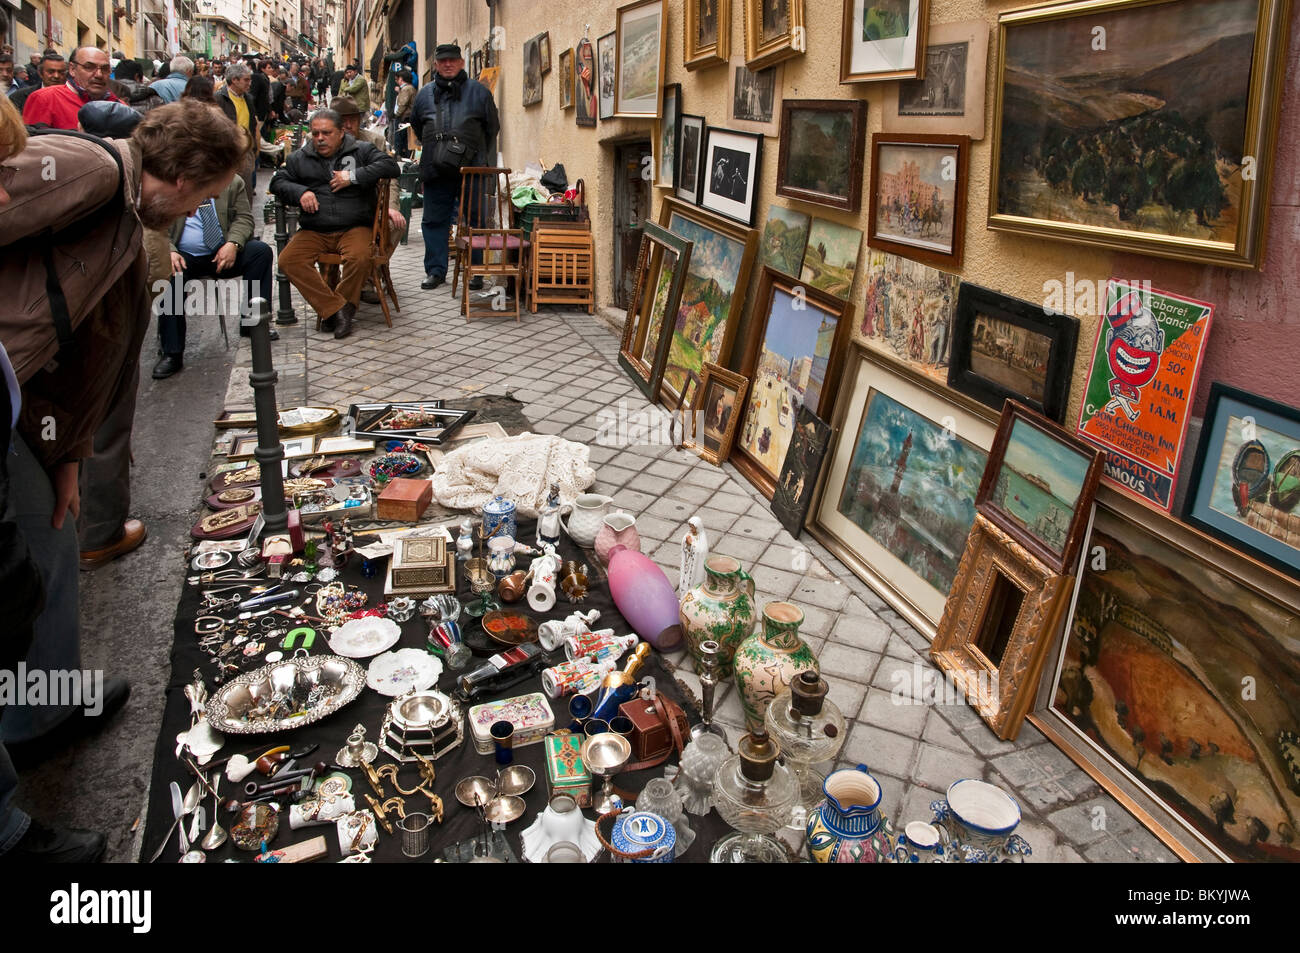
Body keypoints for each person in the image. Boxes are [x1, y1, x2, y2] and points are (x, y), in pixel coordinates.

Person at [0, 102, 246, 861]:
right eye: (204, 197)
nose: (202, 211)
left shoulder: (134, 218)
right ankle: (11, 832)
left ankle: (43, 709)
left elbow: (93, 346)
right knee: (7, 582)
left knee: (48, 542)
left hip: (26, 408)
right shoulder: (93, 171)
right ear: (179, 175)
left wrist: (67, 451)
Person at [270, 109, 398, 339]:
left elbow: (390, 166)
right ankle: (337, 309)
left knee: (359, 257)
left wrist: (353, 177)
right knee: (289, 260)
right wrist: (300, 192)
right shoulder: (301, 157)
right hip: (315, 228)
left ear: (341, 133)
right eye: (316, 133)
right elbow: (278, 181)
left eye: (326, 133)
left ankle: (338, 310)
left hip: (354, 226)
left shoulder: (360, 150)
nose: (320, 138)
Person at [153, 176, 276, 378]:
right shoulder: (173, 183)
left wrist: (233, 244)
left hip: (222, 252)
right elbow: (155, 225)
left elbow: (244, 218)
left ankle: (253, 323)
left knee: (260, 252)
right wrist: (168, 250)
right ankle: (172, 352)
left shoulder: (231, 181)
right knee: (171, 275)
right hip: (184, 256)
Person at [410, 43, 499, 291]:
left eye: (452, 60)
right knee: (433, 220)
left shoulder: (479, 93)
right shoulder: (424, 95)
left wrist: (476, 153)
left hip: (472, 168)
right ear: (436, 65)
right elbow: (417, 125)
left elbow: (492, 128)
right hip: (436, 167)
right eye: (443, 61)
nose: (448, 64)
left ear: (461, 63)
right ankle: (436, 271)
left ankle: (477, 271)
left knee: (476, 220)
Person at [22, 47, 120, 130]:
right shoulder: (45, 98)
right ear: (72, 69)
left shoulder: (119, 106)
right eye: (89, 67)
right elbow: (33, 147)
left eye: (105, 69)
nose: (99, 74)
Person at [216, 61, 257, 197]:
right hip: (228, 152)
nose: (249, 83)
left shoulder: (248, 99)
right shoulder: (219, 99)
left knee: (245, 191)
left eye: (250, 80)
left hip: (246, 151)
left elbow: (252, 123)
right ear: (234, 80)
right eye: (246, 80)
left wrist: (254, 147)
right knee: (227, 191)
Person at [391, 69, 415, 154]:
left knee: (400, 141)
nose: (396, 81)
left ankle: (400, 157)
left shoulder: (406, 89)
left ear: (401, 78)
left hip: (404, 118)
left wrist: (397, 114)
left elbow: (403, 104)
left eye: (397, 79)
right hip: (406, 117)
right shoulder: (407, 88)